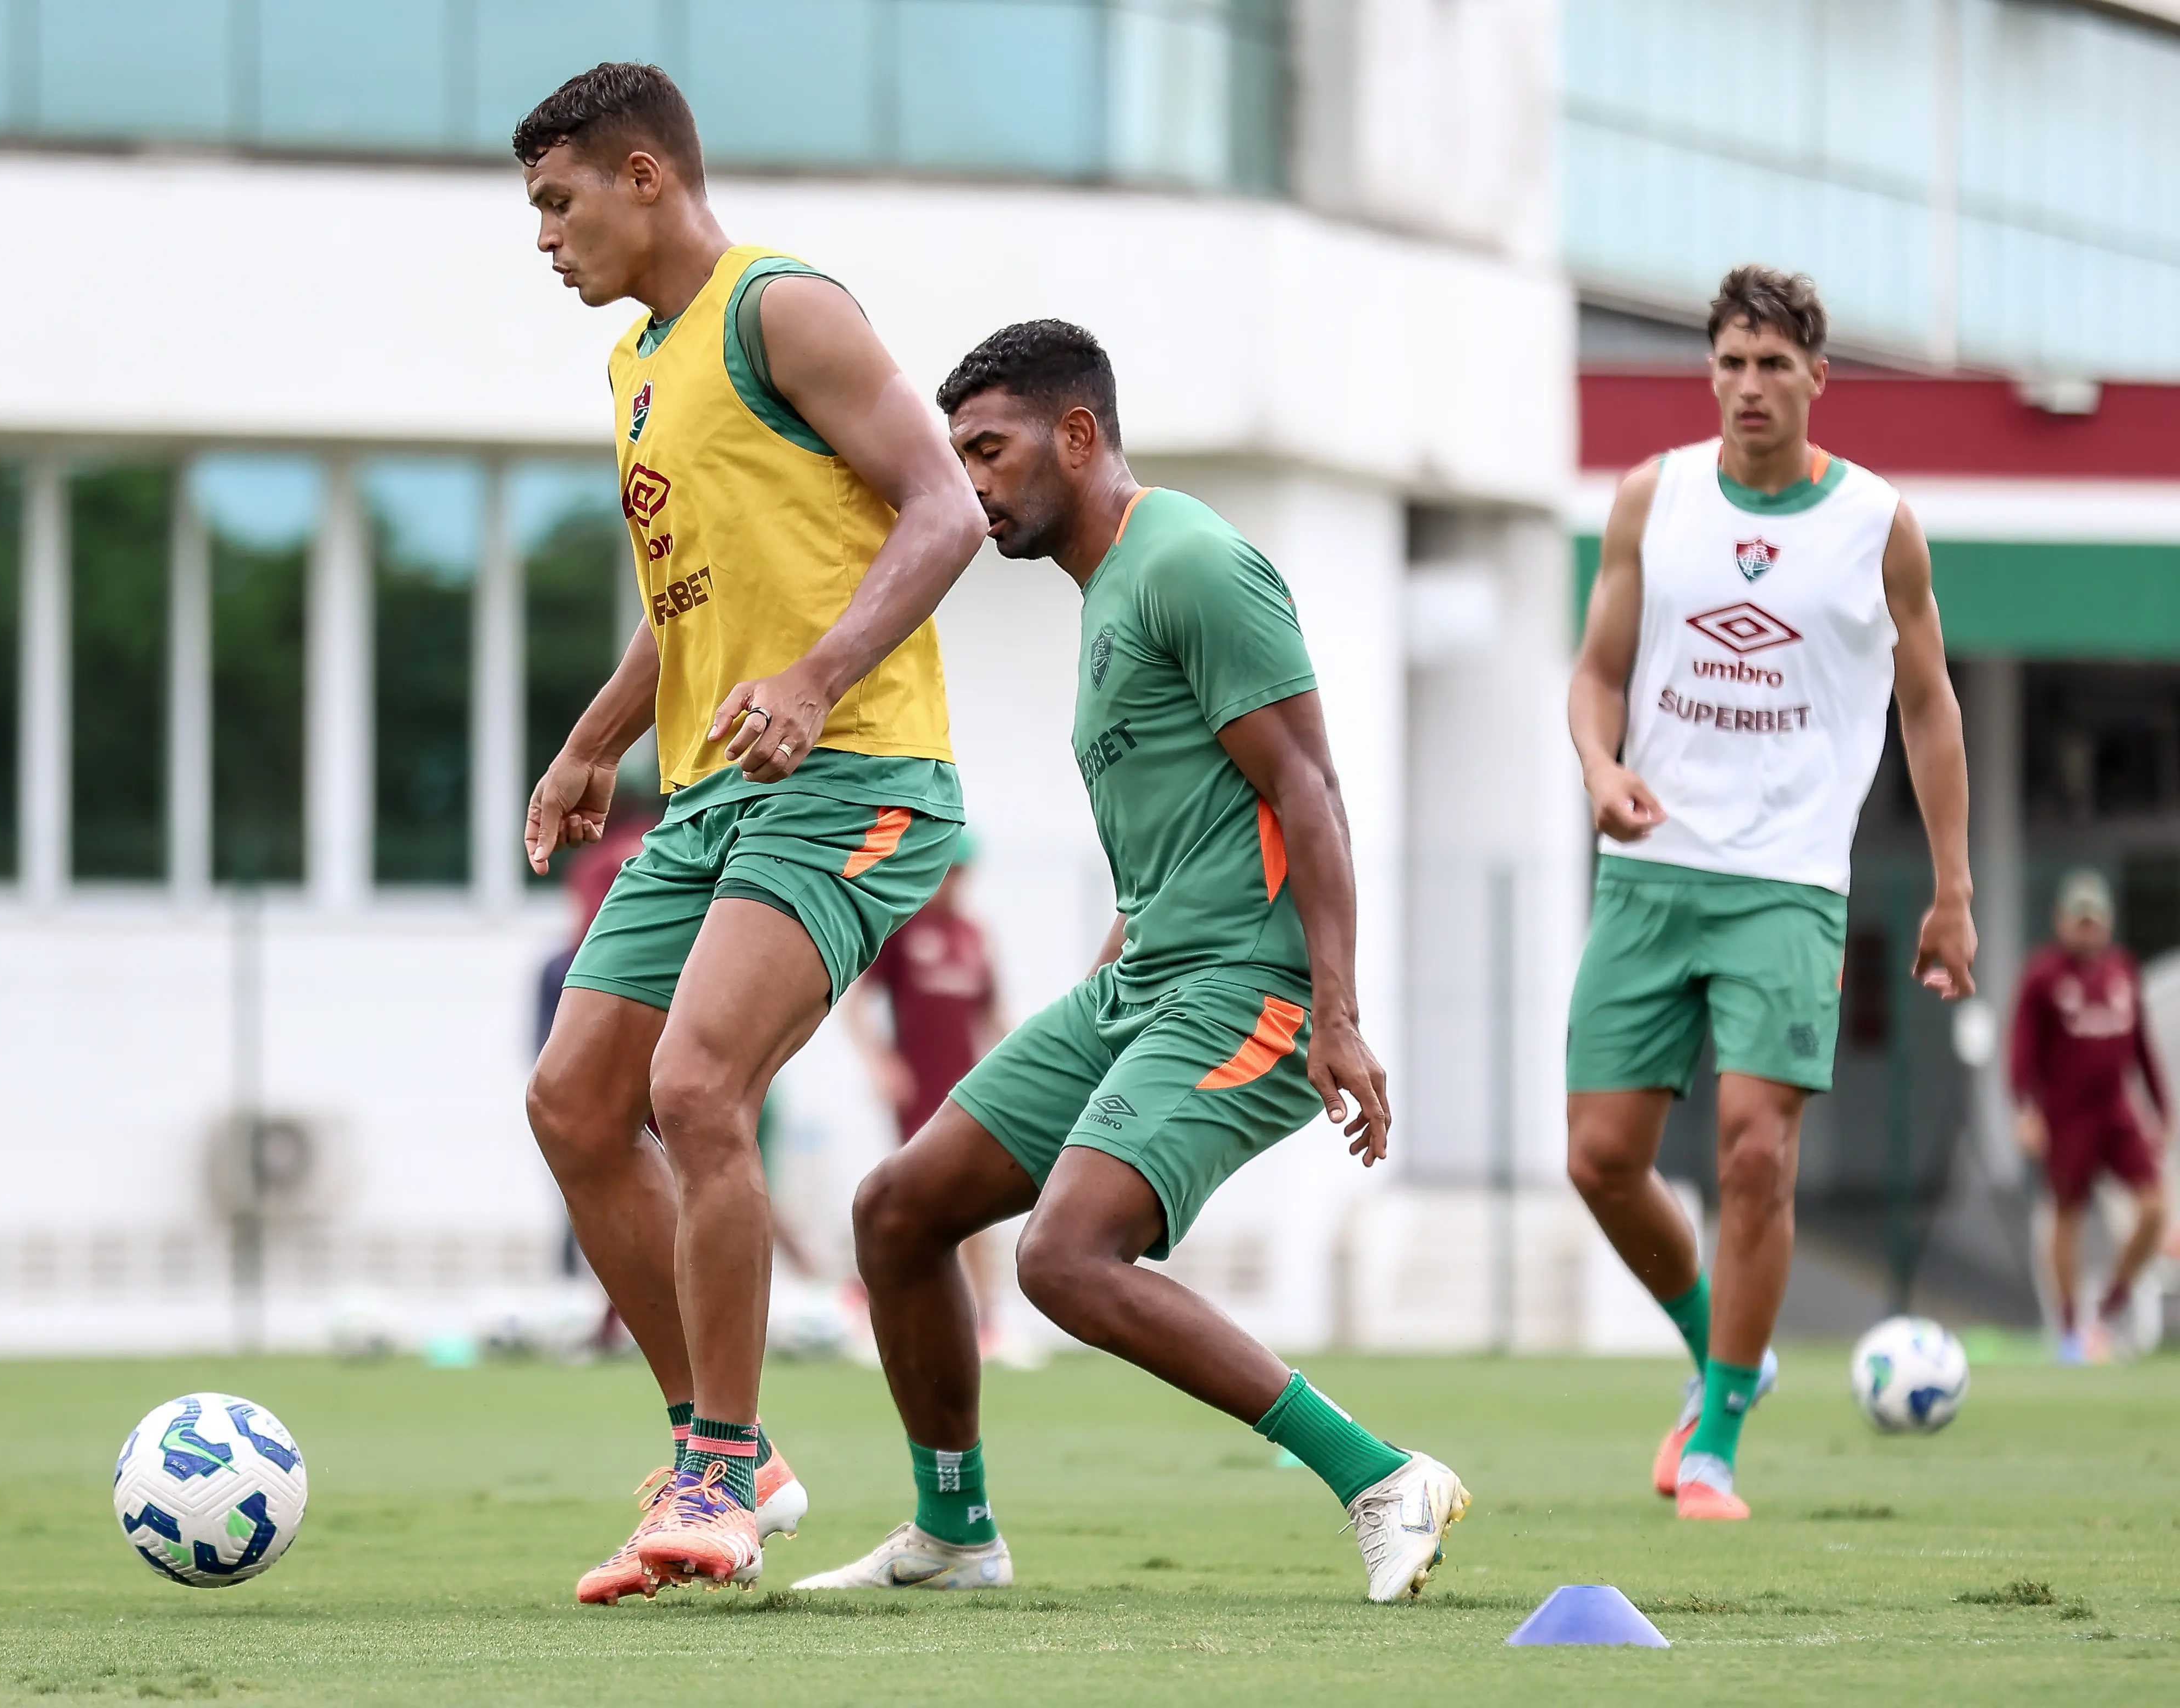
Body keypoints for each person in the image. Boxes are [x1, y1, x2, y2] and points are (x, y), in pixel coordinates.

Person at [797, 321, 1465, 1604]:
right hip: (1147, 981)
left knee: (1062, 1260)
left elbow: (1311, 791)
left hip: (1250, 993)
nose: (972, 484)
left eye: (989, 451)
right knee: (898, 1210)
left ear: (1080, 435)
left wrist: (1338, 1014)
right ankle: (954, 1535)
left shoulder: (1191, 561)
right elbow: (1187, 831)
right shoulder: (1109, 592)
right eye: (961, 456)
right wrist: (1112, 973)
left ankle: (1384, 1477)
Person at [512, 63, 986, 1602]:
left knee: (697, 1085)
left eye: (558, 200)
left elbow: (944, 510)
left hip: (858, 776)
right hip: (715, 793)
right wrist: (594, 746)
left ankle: (715, 1473)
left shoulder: (785, 309)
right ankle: (731, 1450)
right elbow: (684, 606)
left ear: (645, 176)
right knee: (579, 1106)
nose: (545, 236)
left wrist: (820, 672)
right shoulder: (636, 368)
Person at [1565, 267, 1975, 1523]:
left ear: (1817, 378)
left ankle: (1717, 1443)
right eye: (1731, 362)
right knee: (1599, 1160)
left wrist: (1952, 892)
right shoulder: (1654, 497)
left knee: (1755, 1150)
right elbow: (1596, 672)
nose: (1750, 386)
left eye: (1773, 365)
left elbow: (1929, 706)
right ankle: (1724, 1346)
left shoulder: (1877, 522)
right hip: (1650, 870)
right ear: (1711, 372)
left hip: (1788, 882)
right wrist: (1600, 767)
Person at [841, 836, 1012, 1338]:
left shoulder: (975, 934)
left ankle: (984, 1321)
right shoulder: (903, 929)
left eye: (962, 874)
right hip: (921, 1090)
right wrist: (881, 1063)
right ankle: (873, 1298)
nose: (954, 884)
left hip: (969, 1089)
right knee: (923, 1201)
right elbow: (857, 1005)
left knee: (971, 1200)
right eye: (948, 872)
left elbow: (992, 1014)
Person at [2010, 870, 2169, 1362]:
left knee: (2154, 1209)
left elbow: (2142, 1046)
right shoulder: (2043, 976)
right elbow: (2022, 1048)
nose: (2087, 930)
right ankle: (2068, 1327)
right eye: (2078, 921)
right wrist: (2025, 1109)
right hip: (2067, 1115)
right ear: (2062, 922)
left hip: (2117, 1112)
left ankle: (2112, 1298)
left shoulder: (2123, 970)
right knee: (2067, 1217)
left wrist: (2162, 1108)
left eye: (2094, 920)